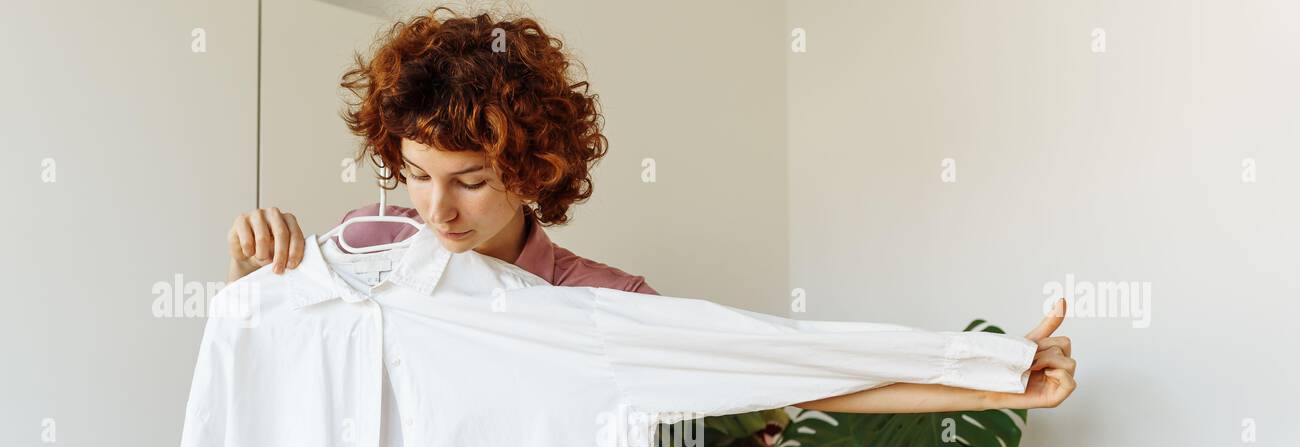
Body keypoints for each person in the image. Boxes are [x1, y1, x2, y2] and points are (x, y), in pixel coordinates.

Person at [225, 7, 1075, 416]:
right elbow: (274, 370)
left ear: (531, 170)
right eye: (414, 175)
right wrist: (256, 279)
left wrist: (996, 380)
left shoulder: (600, 307)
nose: (436, 210)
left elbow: (793, 373)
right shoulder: (364, 261)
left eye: (471, 180)